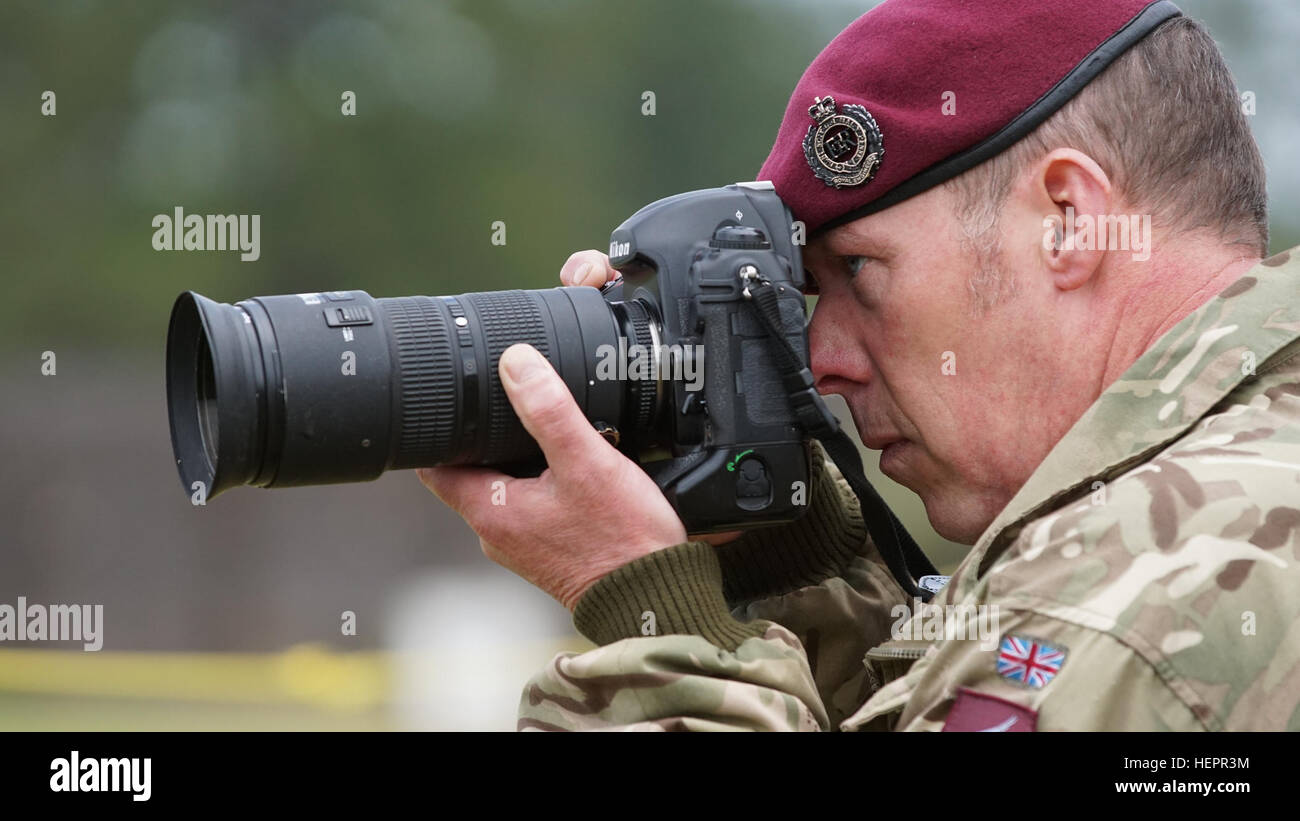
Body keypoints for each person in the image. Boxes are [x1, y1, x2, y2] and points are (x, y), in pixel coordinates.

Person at [420, 0, 1300, 730]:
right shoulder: (1232, 502)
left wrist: (645, 607)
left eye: (858, 271)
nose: (821, 359)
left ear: (1067, 221)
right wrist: (786, 556)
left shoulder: (1116, 609)